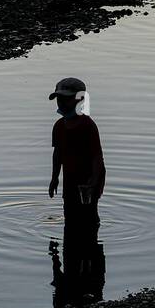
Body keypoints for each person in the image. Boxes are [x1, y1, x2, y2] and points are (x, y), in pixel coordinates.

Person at [48, 76, 105, 237]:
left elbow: (97, 156)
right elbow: (57, 153)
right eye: (59, 99)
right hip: (70, 179)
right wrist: (54, 178)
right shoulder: (59, 126)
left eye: (65, 99)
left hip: (88, 180)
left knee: (90, 216)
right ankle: (69, 256)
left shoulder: (87, 125)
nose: (61, 103)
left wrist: (94, 181)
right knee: (70, 214)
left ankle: (91, 253)